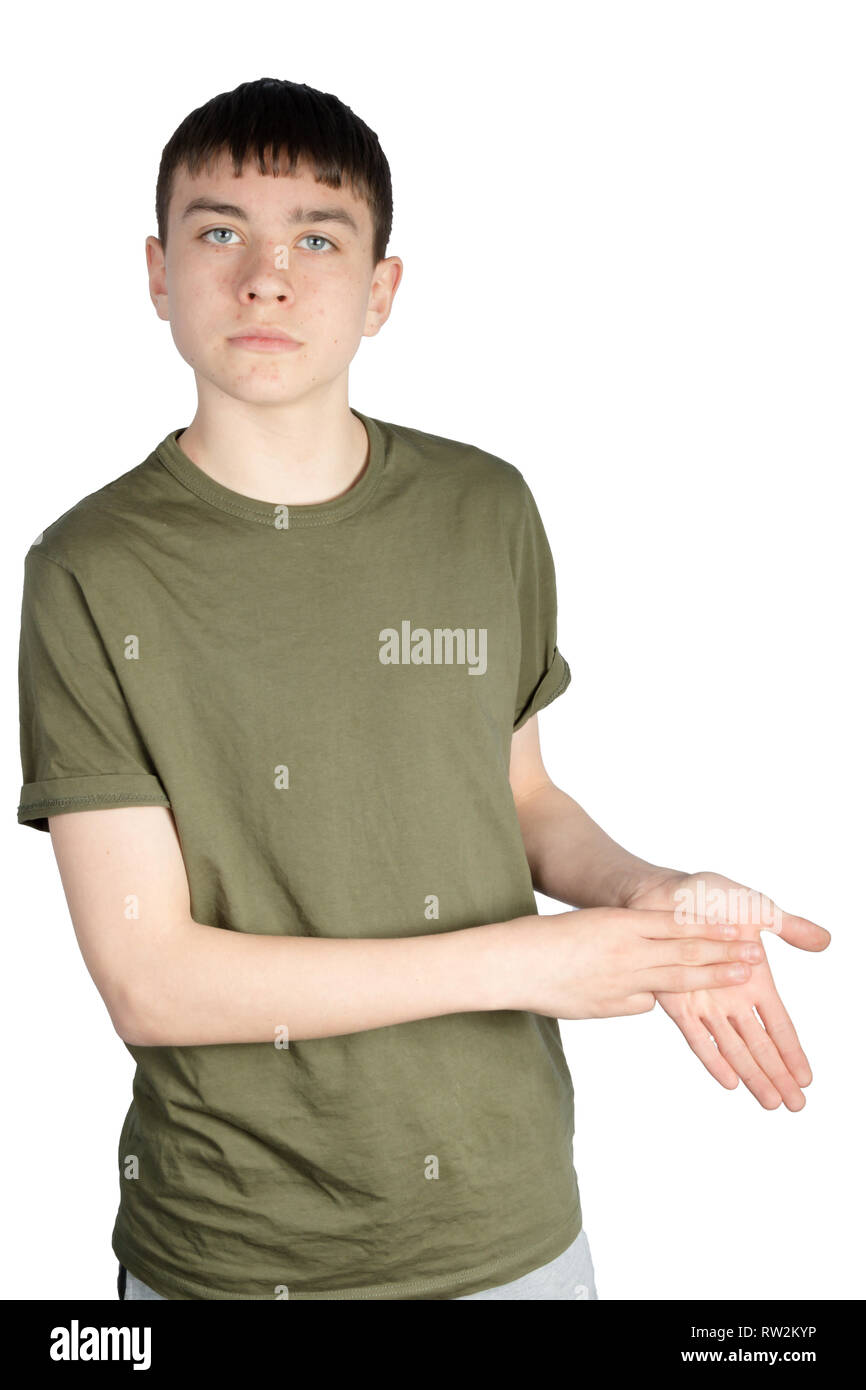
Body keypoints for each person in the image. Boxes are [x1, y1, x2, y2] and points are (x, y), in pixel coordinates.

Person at [16, 77, 830, 1303]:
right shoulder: (89, 570)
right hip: (234, 1251)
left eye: (318, 237)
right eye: (220, 230)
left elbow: (518, 796)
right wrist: (532, 963)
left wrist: (646, 898)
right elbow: (154, 979)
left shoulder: (483, 508)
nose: (266, 275)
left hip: (510, 1228)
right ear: (155, 270)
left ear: (381, 290)